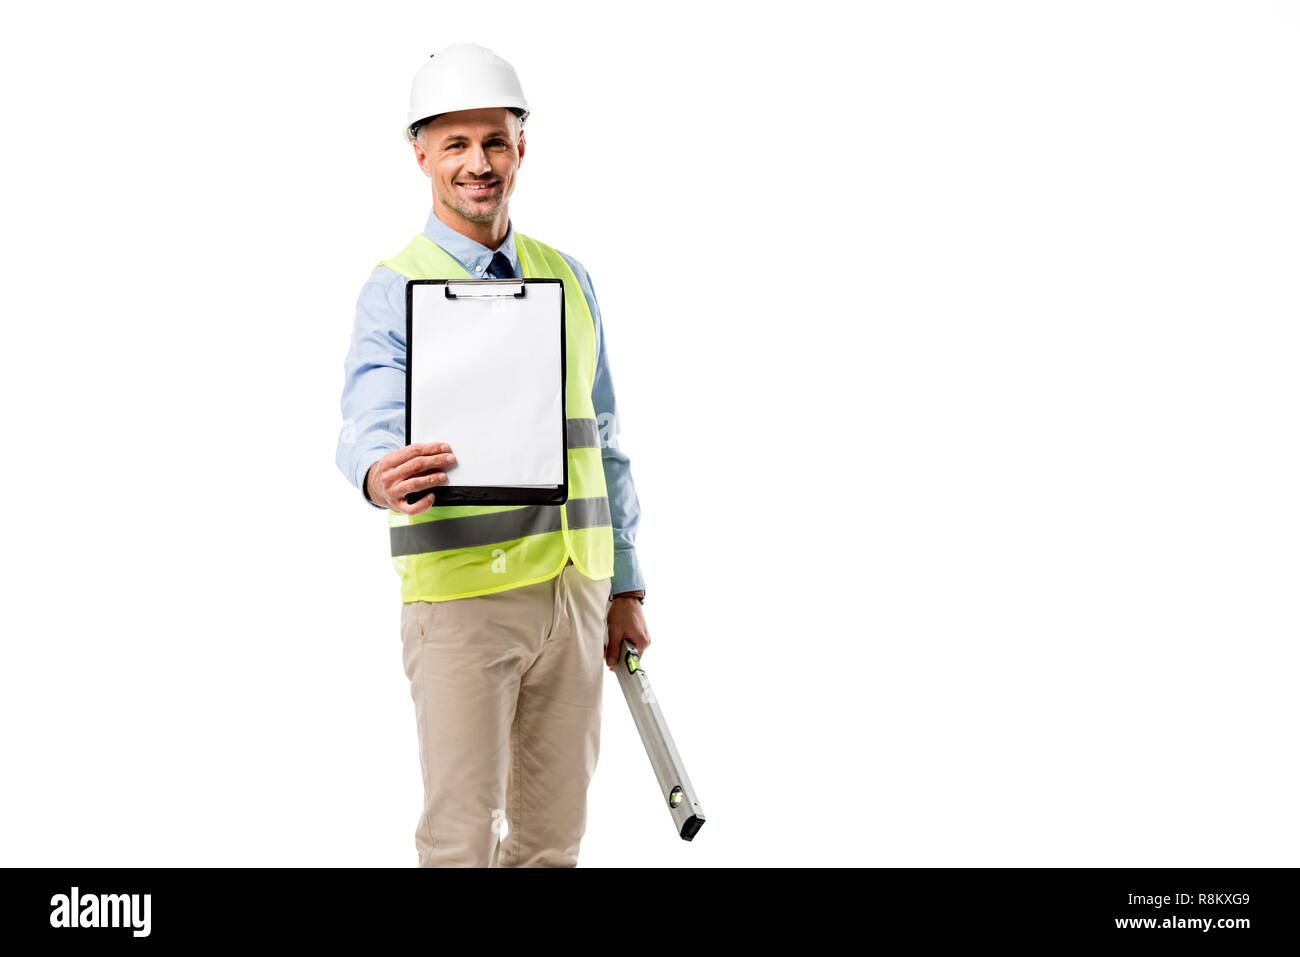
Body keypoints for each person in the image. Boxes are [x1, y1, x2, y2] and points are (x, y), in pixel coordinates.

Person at [335, 43, 650, 867]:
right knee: (460, 841)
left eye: (496, 142)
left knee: (552, 840)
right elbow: (366, 414)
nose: (479, 164)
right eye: (457, 145)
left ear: (521, 148)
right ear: (421, 156)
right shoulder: (394, 285)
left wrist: (625, 582)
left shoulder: (568, 276)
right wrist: (377, 471)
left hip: (575, 595)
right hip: (464, 607)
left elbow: (605, 437)